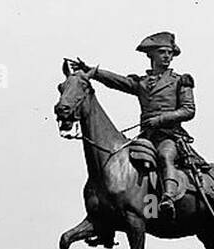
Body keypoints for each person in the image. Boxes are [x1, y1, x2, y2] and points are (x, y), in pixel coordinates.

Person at [72, 32, 196, 217]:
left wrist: (160, 119)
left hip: (170, 136)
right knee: (125, 167)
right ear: (151, 55)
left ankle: (168, 198)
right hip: (146, 137)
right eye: (162, 52)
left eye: (170, 53)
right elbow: (118, 82)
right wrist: (93, 71)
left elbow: (188, 110)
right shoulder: (142, 82)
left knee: (164, 156)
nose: (167, 56)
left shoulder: (180, 81)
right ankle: (146, 211)